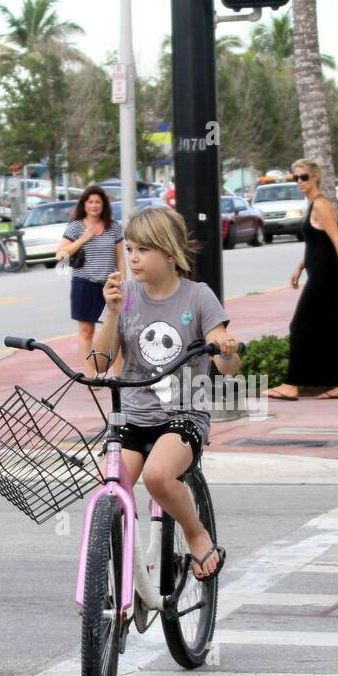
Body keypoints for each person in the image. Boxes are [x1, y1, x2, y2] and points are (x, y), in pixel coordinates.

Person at [93, 205, 240, 582]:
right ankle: (122, 575)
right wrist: (111, 313)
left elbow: (226, 367)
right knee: (109, 487)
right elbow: (99, 363)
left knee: (158, 476)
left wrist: (225, 347)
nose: (133, 257)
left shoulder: (198, 297)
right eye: (130, 249)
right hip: (133, 415)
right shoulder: (123, 295)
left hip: (182, 415)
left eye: (144, 249)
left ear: (170, 252)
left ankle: (196, 533)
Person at [265, 158, 338, 401]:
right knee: (326, 330)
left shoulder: (321, 204)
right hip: (319, 272)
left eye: (303, 177)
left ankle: (292, 384)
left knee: (300, 325)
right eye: (296, 178)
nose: (299, 182)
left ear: (315, 177)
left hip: (326, 276)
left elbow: (336, 239)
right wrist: (301, 266)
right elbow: (318, 243)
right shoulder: (313, 204)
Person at [57, 184, 125, 370]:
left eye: (98, 202)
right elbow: (60, 254)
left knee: (114, 332)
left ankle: (118, 377)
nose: (94, 205)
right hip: (84, 284)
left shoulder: (114, 228)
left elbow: (120, 259)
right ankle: (90, 375)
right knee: (87, 331)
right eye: (90, 201)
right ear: (84, 204)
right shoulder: (76, 227)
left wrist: (124, 284)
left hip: (109, 285)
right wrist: (84, 238)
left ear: (104, 205)